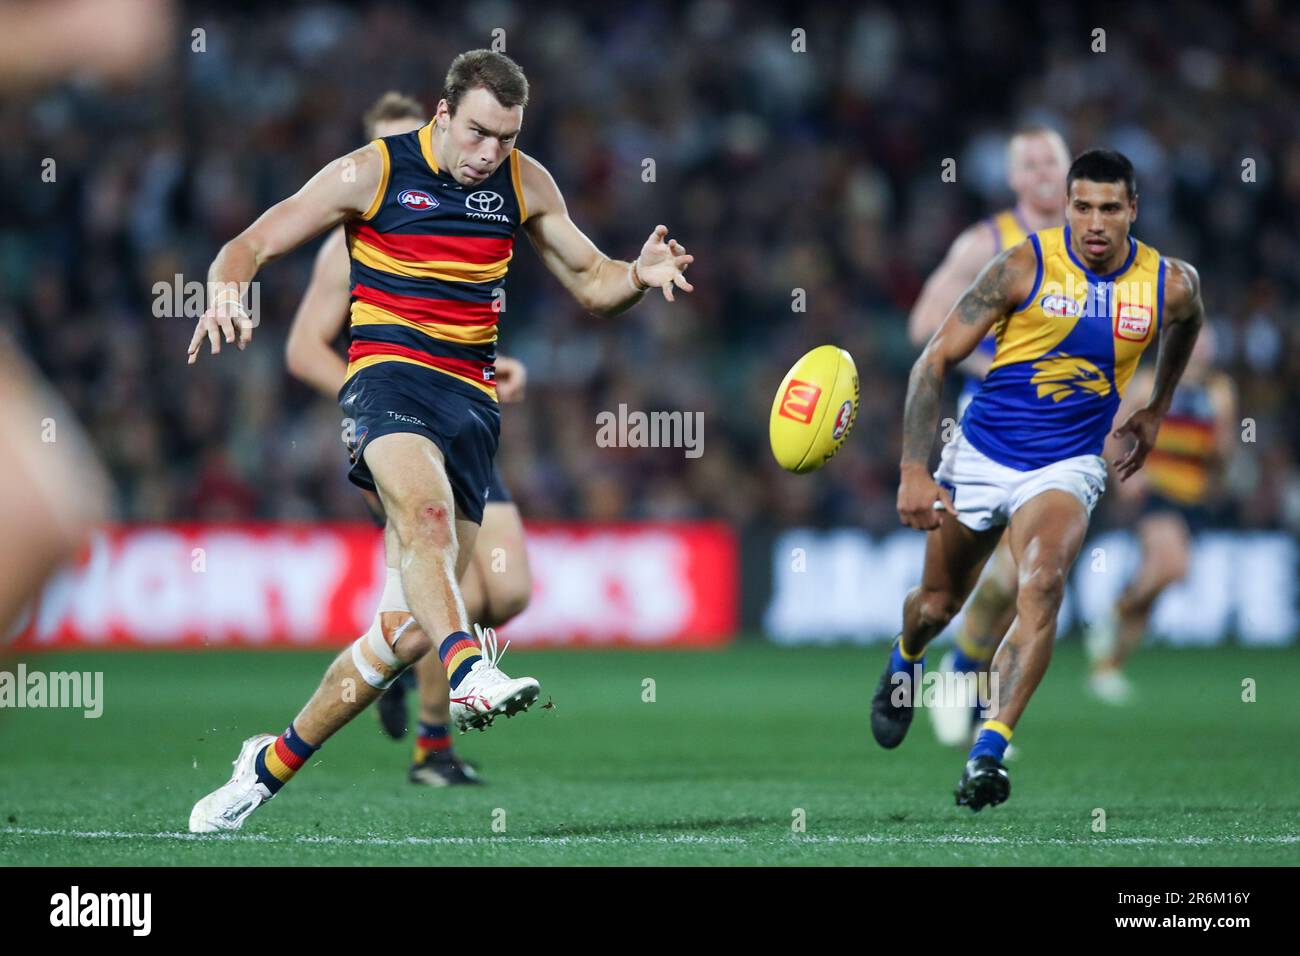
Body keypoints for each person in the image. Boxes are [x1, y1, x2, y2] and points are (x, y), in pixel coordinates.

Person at [188, 50, 693, 832]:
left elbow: (594, 282)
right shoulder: (373, 172)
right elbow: (252, 241)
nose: (491, 152)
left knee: (403, 631)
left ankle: (266, 765)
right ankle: (468, 671)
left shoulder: (525, 182)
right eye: (481, 133)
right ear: (444, 113)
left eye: (508, 136)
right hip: (385, 385)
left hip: (471, 409)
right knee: (423, 524)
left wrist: (639, 274)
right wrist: (225, 288)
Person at [871, 149, 1203, 811]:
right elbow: (932, 360)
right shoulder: (1022, 265)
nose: (1095, 222)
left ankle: (987, 751)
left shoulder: (1169, 283)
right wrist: (912, 470)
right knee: (937, 606)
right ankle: (906, 656)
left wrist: (1156, 408)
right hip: (982, 455)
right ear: (1070, 207)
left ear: (1133, 209)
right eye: (1083, 206)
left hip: (1068, 464)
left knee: (1043, 579)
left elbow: (1188, 323)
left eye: (1110, 207)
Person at [284, 91, 535, 787]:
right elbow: (304, 347)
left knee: (507, 591)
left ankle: (397, 652)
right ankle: (433, 746)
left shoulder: (468, 208)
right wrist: (381, 400)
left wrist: (492, 365)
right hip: (397, 421)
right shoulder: (350, 237)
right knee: (443, 576)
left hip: (463, 415)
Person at [906, 127, 1070, 749]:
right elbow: (925, 322)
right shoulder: (987, 243)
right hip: (995, 433)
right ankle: (963, 674)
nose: (1042, 172)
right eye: (1028, 163)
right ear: (1012, 179)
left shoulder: (1095, 248)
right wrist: (993, 365)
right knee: (996, 579)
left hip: (1065, 436)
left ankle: (970, 682)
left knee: (1027, 578)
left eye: (1050, 159)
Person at [1085, 326, 1235, 703]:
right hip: (1154, 491)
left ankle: (1108, 666)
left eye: (1207, 344)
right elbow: (1110, 432)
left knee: (1156, 582)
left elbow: (1225, 449)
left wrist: (1219, 464)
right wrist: (1125, 478)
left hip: (1192, 496)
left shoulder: (1220, 392)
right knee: (1173, 567)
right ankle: (1115, 615)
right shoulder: (1149, 383)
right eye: (1195, 344)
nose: (1202, 351)